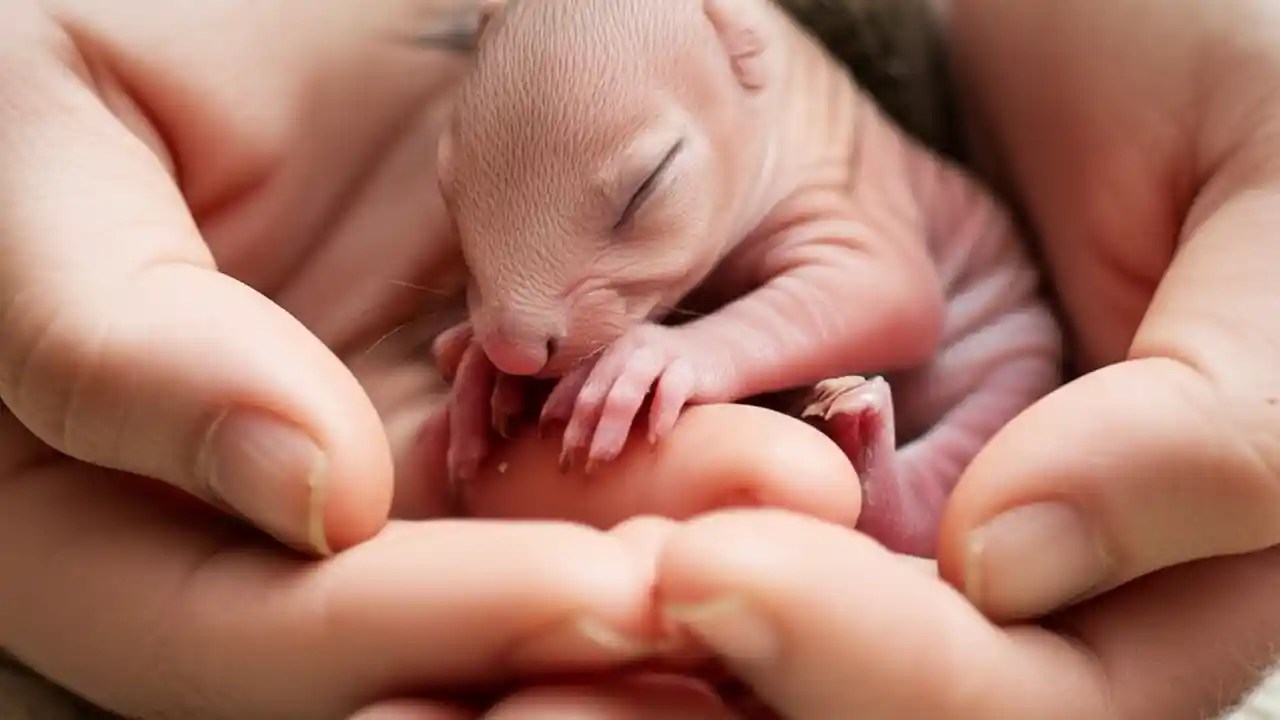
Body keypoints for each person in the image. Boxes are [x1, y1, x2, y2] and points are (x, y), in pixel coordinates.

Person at [0, 0, 1277, 718]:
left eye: (637, 195)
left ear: (746, 62)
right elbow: (530, 274)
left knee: (929, 507)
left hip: (970, 381)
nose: (518, 318)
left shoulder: (814, 152)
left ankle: (885, 486)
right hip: (762, 417)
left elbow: (891, 300)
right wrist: (495, 355)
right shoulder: (614, 165)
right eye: (460, 198)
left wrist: (700, 356)